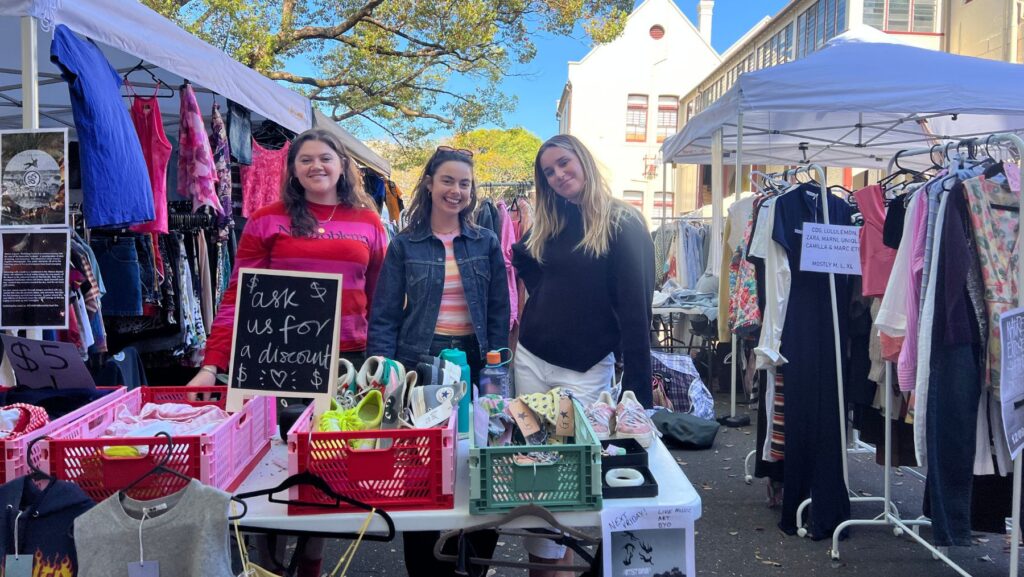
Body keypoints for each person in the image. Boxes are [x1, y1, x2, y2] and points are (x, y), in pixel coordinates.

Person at [187, 127, 387, 577]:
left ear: (341, 165)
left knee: (325, 467)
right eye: (305, 160)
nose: (316, 166)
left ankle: (312, 561)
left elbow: (381, 296)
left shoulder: (369, 222)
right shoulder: (266, 219)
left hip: (345, 362)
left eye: (325, 158)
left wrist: (382, 359)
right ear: (292, 170)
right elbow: (238, 294)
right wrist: (211, 364)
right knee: (267, 465)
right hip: (274, 360)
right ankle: (265, 562)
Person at [512, 134, 655, 577]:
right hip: (532, 360)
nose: (557, 176)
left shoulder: (621, 222)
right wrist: (550, 301)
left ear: (583, 161)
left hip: (585, 369)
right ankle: (546, 570)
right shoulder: (549, 222)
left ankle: (563, 566)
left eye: (563, 164)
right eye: (548, 172)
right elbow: (526, 261)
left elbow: (637, 310)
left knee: (573, 480)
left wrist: (637, 390)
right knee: (534, 475)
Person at [367, 145, 510, 577]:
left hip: (476, 360)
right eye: (447, 180)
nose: (456, 190)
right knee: (421, 474)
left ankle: (473, 567)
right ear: (429, 183)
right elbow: (386, 314)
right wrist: (383, 372)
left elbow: (499, 311)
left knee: (482, 468)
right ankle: (428, 570)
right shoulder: (405, 244)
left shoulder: (484, 241)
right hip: (420, 364)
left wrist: (497, 368)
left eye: (464, 183)